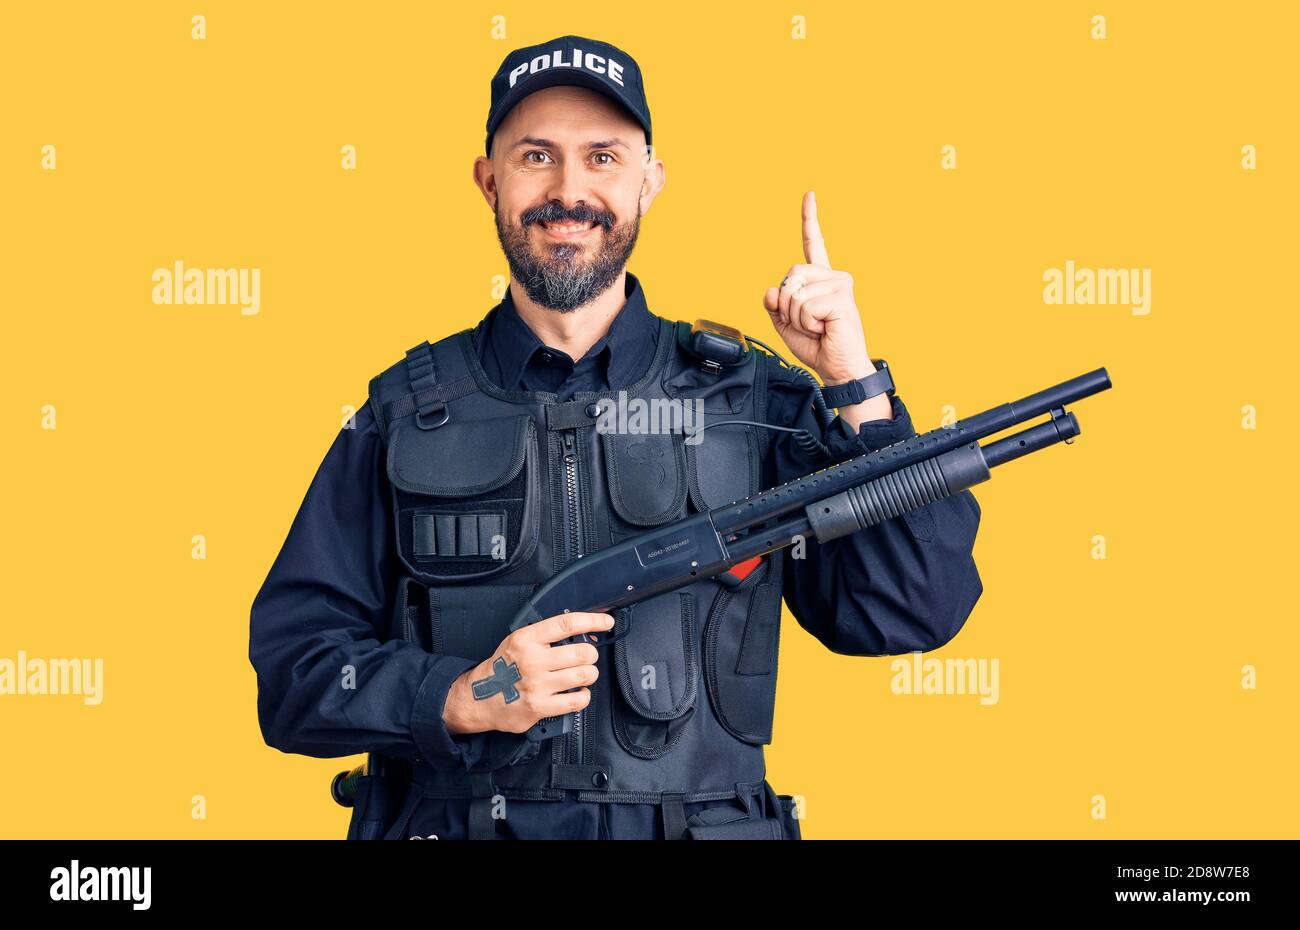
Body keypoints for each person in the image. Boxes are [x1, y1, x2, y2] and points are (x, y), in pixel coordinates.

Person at [249, 34, 983, 840]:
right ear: (488, 181)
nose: (570, 191)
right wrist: (464, 696)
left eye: (603, 157)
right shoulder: (401, 411)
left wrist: (854, 388)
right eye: (537, 156)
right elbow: (295, 677)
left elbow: (910, 610)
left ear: (650, 181)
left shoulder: (754, 398)